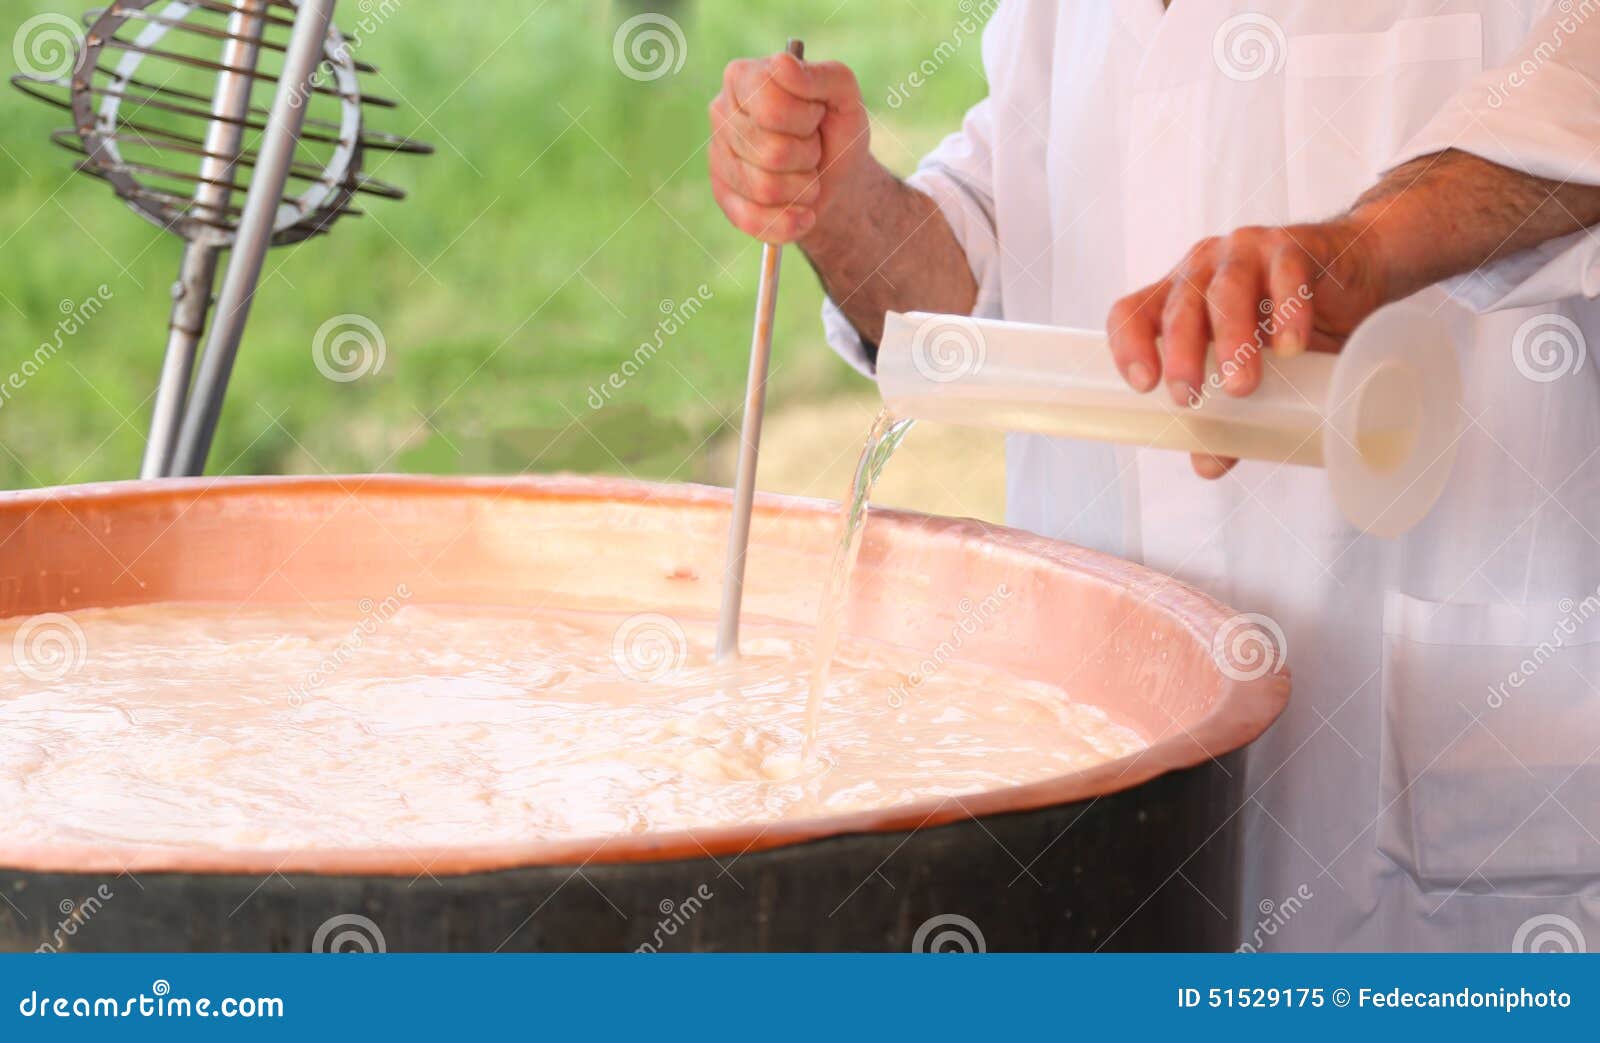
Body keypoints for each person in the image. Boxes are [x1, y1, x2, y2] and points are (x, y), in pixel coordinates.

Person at [708, 1, 1600, 952]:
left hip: (1451, 823)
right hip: (1114, 772)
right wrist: (844, 204)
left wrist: (1370, 246)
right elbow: (980, 278)